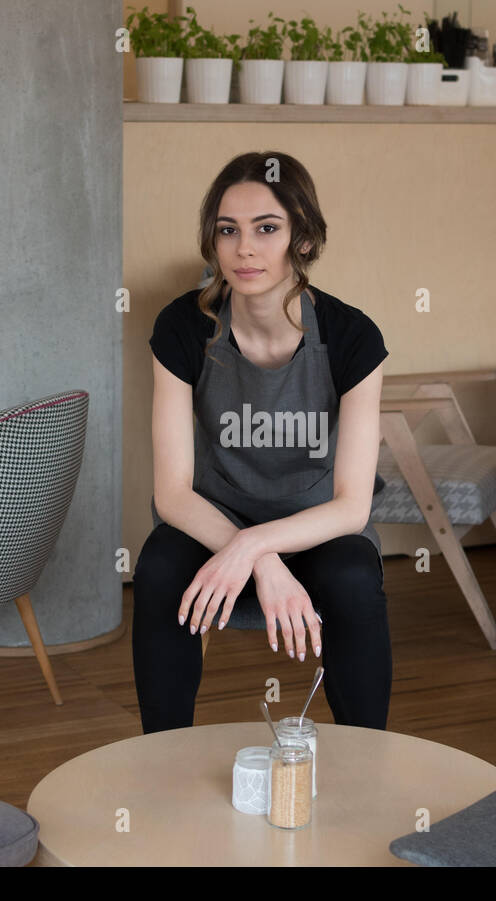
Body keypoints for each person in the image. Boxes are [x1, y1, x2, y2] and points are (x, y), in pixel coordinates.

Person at [132, 151, 392, 734]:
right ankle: (160, 758)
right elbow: (172, 494)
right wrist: (258, 555)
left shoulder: (354, 338)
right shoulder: (182, 328)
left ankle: (370, 756)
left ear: (302, 239)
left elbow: (353, 506)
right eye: (228, 231)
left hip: (317, 523)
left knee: (353, 580)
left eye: (266, 229)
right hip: (211, 518)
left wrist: (255, 550)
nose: (244, 249)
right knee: (157, 569)